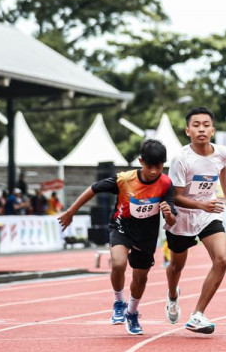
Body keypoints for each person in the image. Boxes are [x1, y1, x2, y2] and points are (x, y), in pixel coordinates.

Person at [57, 139, 215, 335]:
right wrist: (71, 212)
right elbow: (94, 188)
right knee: (118, 263)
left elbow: (173, 221)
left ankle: (132, 313)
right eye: (149, 167)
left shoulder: (166, 184)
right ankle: (118, 302)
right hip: (122, 226)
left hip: (146, 235)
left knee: (140, 278)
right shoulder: (124, 179)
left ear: (163, 165)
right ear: (141, 162)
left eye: (158, 167)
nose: (154, 172)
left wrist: (167, 214)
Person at [163, 107, 226, 334]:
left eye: (206, 125)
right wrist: (200, 204)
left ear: (212, 130)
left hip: (208, 214)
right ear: (188, 131)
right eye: (196, 125)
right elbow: (176, 197)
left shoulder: (221, 152)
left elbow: (221, 169)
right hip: (182, 217)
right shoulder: (181, 159)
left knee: (222, 259)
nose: (201, 129)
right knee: (176, 266)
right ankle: (173, 295)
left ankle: (197, 315)